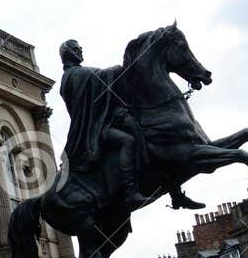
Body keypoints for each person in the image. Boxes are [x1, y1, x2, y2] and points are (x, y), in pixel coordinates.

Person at [59, 39, 202, 212]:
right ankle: (130, 192)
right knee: (127, 140)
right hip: (93, 130)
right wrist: (124, 69)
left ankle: (175, 192)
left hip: (103, 121)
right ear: (68, 53)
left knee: (144, 131)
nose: (80, 50)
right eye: (76, 49)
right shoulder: (73, 75)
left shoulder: (80, 73)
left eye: (80, 48)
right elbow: (101, 80)